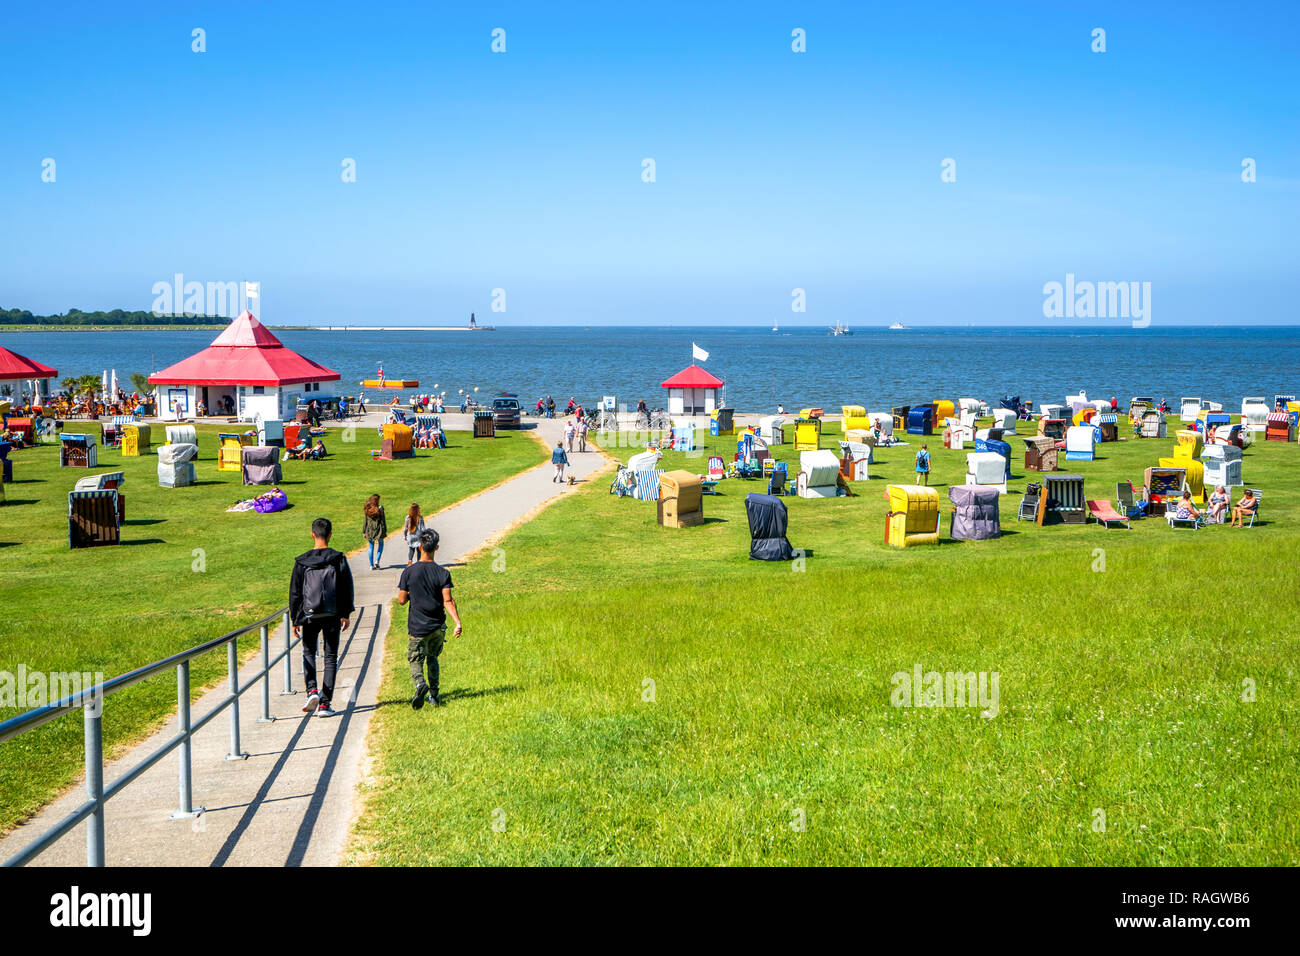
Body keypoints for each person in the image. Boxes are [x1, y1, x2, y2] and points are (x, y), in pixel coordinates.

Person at [288, 518, 354, 717]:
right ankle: (325, 704)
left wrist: (295, 619)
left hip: (309, 615)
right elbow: (346, 587)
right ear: (331, 535)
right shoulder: (338, 558)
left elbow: (295, 592)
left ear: (312, 534)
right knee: (331, 657)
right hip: (332, 613)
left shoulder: (302, 562)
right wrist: (345, 613)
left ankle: (311, 691)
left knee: (308, 652)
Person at [398, 529, 462, 709]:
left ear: (419, 546)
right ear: (437, 547)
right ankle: (434, 695)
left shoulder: (409, 572)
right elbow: (447, 600)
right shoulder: (442, 573)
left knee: (415, 659)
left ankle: (420, 685)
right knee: (432, 658)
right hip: (437, 627)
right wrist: (457, 622)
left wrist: (413, 595)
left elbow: (401, 600)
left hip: (418, 627)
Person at [363, 494, 388, 569]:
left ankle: (371, 565)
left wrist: (364, 531)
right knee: (381, 544)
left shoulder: (367, 508)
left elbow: (365, 521)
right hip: (379, 529)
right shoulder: (380, 509)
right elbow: (383, 521)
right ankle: (377, 560)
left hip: (369, 530)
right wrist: (385, 530)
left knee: (371, 546)